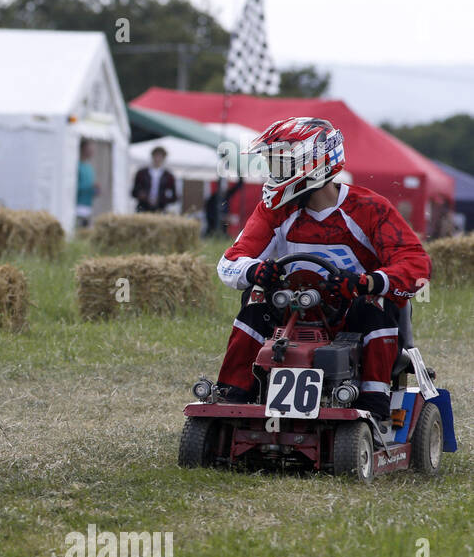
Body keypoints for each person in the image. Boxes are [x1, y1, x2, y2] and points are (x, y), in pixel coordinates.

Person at [212, 117, 432, 423]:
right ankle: (232, 393)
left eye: (279, 166)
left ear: (312, 165)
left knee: (375, 303)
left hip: (351, 314)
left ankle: (374, 401)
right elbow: (230, 262)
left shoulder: (369, 208)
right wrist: (255, 272)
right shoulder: (275, 210)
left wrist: (369, 281)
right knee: (257, 296)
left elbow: (415, 263)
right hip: (294, 310)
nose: (272, 176)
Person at [132, 146, 177, 212]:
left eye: (160, 157)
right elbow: (134, 192)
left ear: (164, 158)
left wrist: (160, 199)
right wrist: (143, 196)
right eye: (156, 156)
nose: (157, 159)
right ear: (152, 157)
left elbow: (173, 197)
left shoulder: (169, 176)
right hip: (143, 208)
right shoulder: (142, 173)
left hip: (161, 209)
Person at [75, 139, 100, 227]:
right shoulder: (76, 165)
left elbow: (92, 191)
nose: (92, 151)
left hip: (88, 207)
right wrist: (90, 186)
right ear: (83, 149)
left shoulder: (89, 167)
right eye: (89, 149)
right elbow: (73, 188)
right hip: (77, 207)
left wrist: (96, 190)